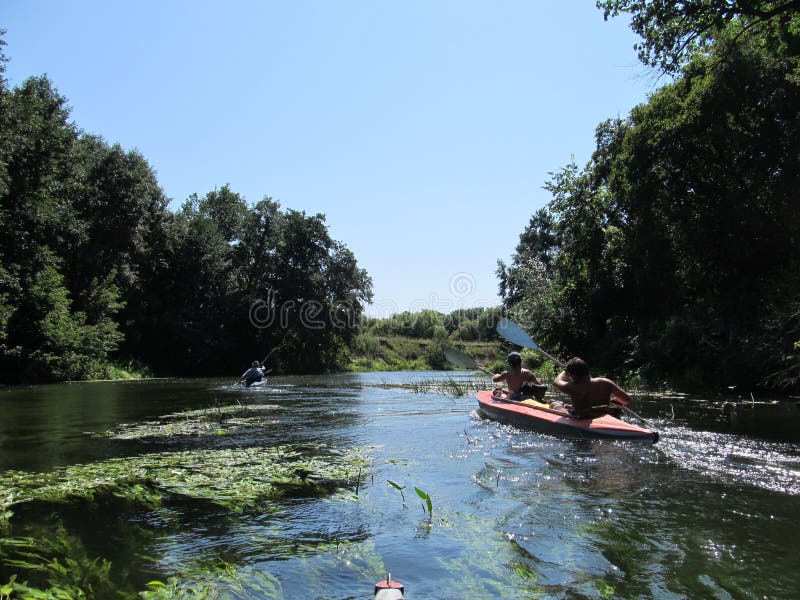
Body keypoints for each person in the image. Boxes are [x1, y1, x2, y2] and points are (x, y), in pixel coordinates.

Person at [553, 357, 630, 418]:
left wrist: (564, 372)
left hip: (585, 417)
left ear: (571, 375)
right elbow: (627, 400)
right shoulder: (605, 382)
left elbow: (556, 381)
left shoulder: (573, 387)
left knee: (555, 404)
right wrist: (613, 400)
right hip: (605, 415)